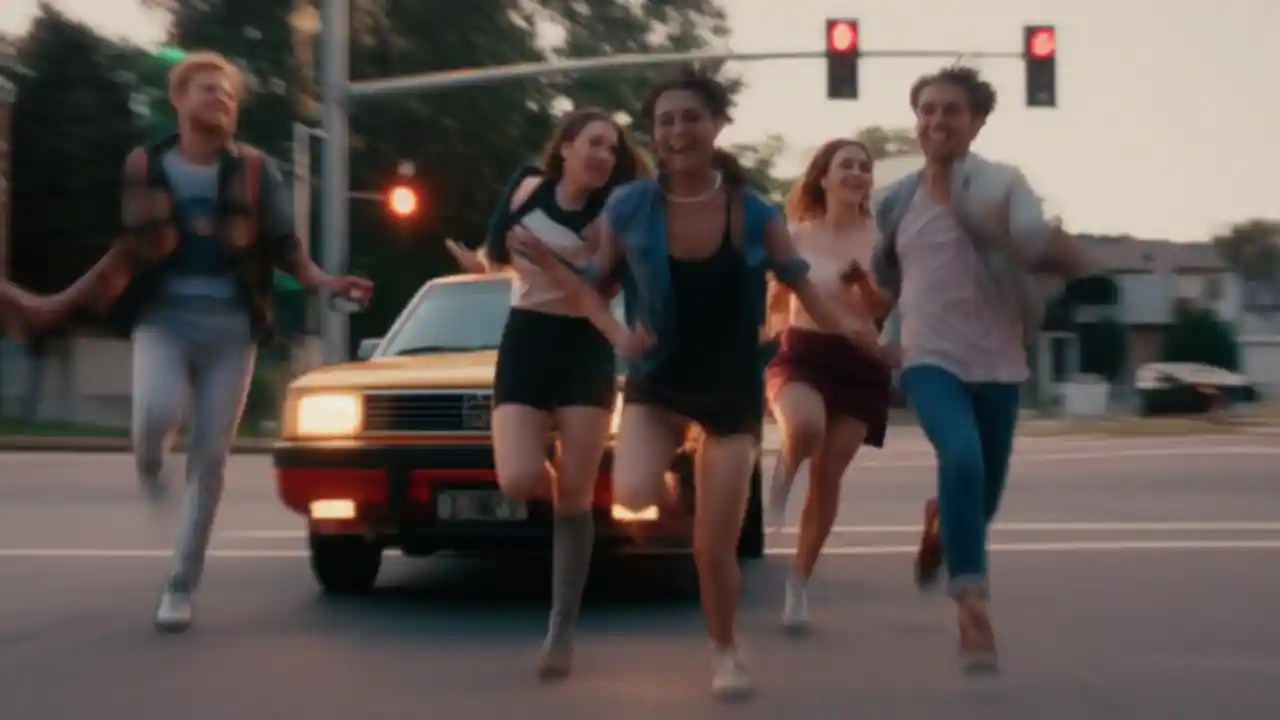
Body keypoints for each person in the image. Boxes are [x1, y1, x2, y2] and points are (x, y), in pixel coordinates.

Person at [510, 68, 877, 700]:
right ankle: (677, 456)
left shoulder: (755, 213)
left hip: (729, 394)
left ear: (716, 126)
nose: (677, 131)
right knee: (630, 495)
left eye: (691, 118)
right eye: (665, 121)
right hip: (657, 386)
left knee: (713, 548)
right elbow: (595, 285)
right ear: (655, 133)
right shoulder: (630, 206)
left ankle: (726, 653)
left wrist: (858, 335)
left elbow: (806, 289)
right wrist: (570, 289)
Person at [2, 51, 373, 633]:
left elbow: (285, 247)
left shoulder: (256, 171)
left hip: (232, 332)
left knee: (211, 459)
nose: (220, 99)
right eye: (207, 89)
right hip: (164, 322)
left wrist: (324, 282)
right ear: (179, 99)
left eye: (228, 93)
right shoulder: (145, 165)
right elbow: (129, 252)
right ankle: (150, 465)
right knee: (155, 415)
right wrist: (59, 305)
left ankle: (181, 582)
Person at [870, 65, 1091, 672]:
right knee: (962, 458)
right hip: (928, 357)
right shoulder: (894, 200)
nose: (937, 121)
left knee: (983, 496)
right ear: (917, 120)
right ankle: (972, 606)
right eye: (927, 110)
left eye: (952, 111)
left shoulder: (1004, 185)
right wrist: (884, 334)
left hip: (998, 358)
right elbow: (888, 277)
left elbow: (1037, 247)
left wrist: (1011, 237)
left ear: (977, 121)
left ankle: (943, 523)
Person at [444, 108, 652, 680]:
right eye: (594, 143)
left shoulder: (611, 217)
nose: (603, 155)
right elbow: (499, 254)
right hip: (526, 340)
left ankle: (562, 628)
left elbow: (592, 294)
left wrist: (546, 260)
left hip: (584, 345)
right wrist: (479, 263)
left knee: (577, 497)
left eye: (611, 149)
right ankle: (559, 477)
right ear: (565, 148)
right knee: (517, 479)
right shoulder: (526, 188)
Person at [763, 138, 894, 632]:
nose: (857, 173)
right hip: (804, 354)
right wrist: (769, 319)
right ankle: (784, 470)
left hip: (860, 362)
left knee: (828, 476)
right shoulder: (796, 235)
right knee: (805, 427)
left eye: (864, 166)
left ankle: (798, 586)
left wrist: (862, 282)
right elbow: (775, 305)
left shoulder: (881, 242)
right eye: (846, 166)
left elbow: (883, 310)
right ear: (824, 178)